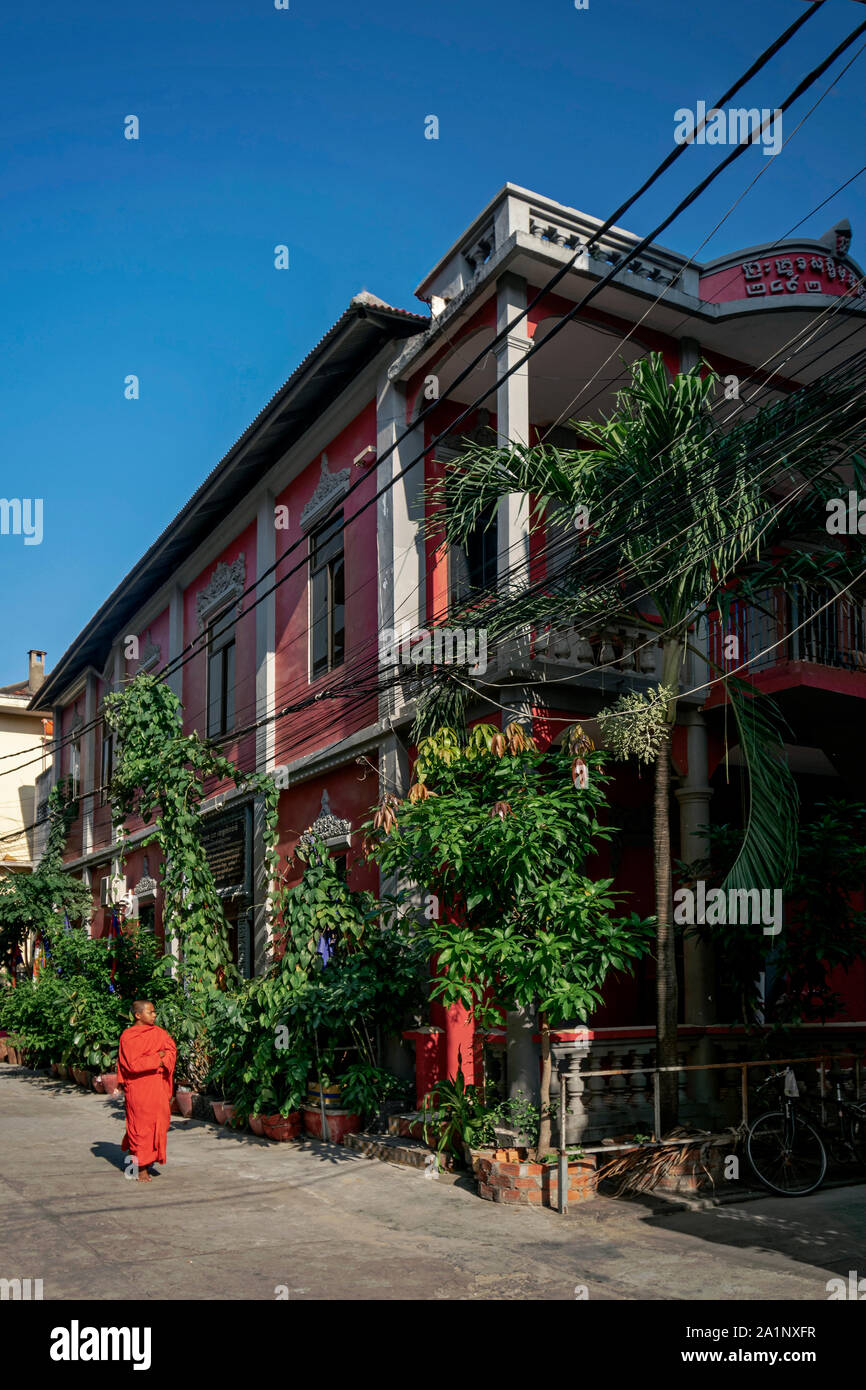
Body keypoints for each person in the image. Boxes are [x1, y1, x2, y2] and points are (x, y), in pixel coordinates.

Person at [117, 999, 176, 1182]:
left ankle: (147, 1158)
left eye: (154, 1012)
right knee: (141, 1127)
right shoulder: (128, 1036)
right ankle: (141, 1167)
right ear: (138, 1015)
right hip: (139, 1088)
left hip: (158, 1087)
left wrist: (158, 1058)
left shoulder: (159, 1033)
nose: (154, 1015)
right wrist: (158, 1059)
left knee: (160, 1123)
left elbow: (171, 1050)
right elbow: (134, 1065)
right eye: (150, 1012)